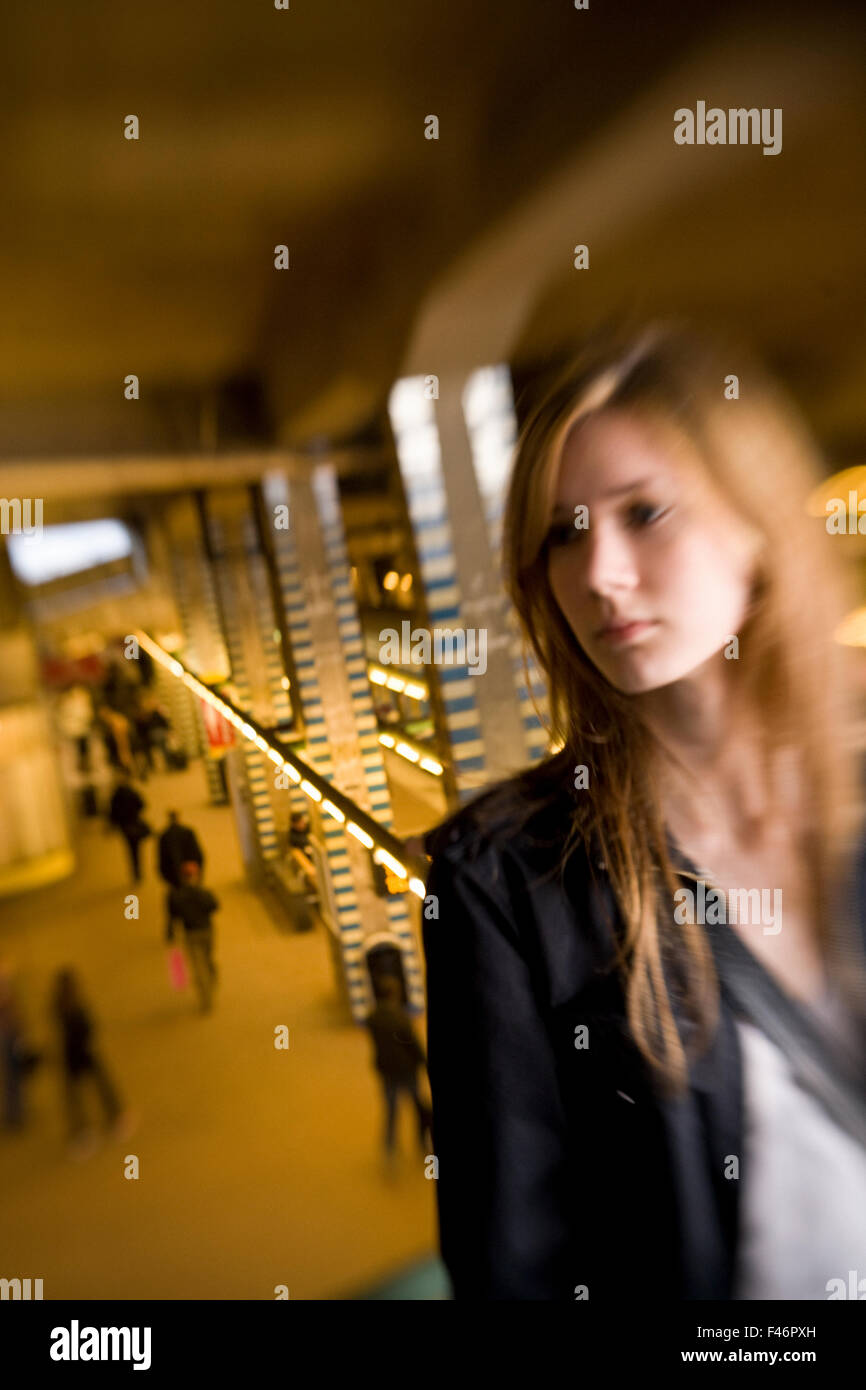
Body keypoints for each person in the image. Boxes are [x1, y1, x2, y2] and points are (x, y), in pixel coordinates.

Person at [422, 321, 866, 1302]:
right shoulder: (504, 878)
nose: (598, 574)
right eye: (564, 533)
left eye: (644, 513)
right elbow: (513, 1264)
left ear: (756, 524)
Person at [51, 968, 131, 1157]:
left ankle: (85, 1132)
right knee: (97, 1090)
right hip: (83, 1056)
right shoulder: (75, 1009)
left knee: (79, 1097)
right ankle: (110, 1120)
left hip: (75, 1058)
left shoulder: (63, 1009)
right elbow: (89, 1029)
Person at [365, 976, 430, 1163]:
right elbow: (412, 1044)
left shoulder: (373, 1018)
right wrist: (423, 1062)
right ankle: (422, 1145)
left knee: (391, 1110)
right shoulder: (401, 1018)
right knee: (418, 1107)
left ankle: (390, 1150)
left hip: (386, 1069)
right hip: (406, 1069)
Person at [167, 862, 219, 1013]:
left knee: (198, 965)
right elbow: (214, 906)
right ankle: (212, 975)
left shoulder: (177, 896)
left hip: (190, 933)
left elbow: (173, 915)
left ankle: (206, 998)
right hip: (207, 930)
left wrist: (171, 934)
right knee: (208, 957)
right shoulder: (203, 892)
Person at [157, 812, 204, 929]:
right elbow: (197, 852)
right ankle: (191, 921)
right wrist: (199, 871)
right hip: (189, 871)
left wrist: (165, 875)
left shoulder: (164, 835)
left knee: (174, 898)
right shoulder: (188, 832)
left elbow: (161, 857)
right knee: (191, 896)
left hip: (172, 874)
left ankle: (171, 923)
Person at [107, 775, 149, 882]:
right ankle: (138, 870)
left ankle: (135, 871)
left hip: (124, 827)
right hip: (135, 823)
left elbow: (112, 813)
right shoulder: (132, 792)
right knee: (137, 849)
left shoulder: (116, 796)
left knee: (130, 849)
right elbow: (142, 804)